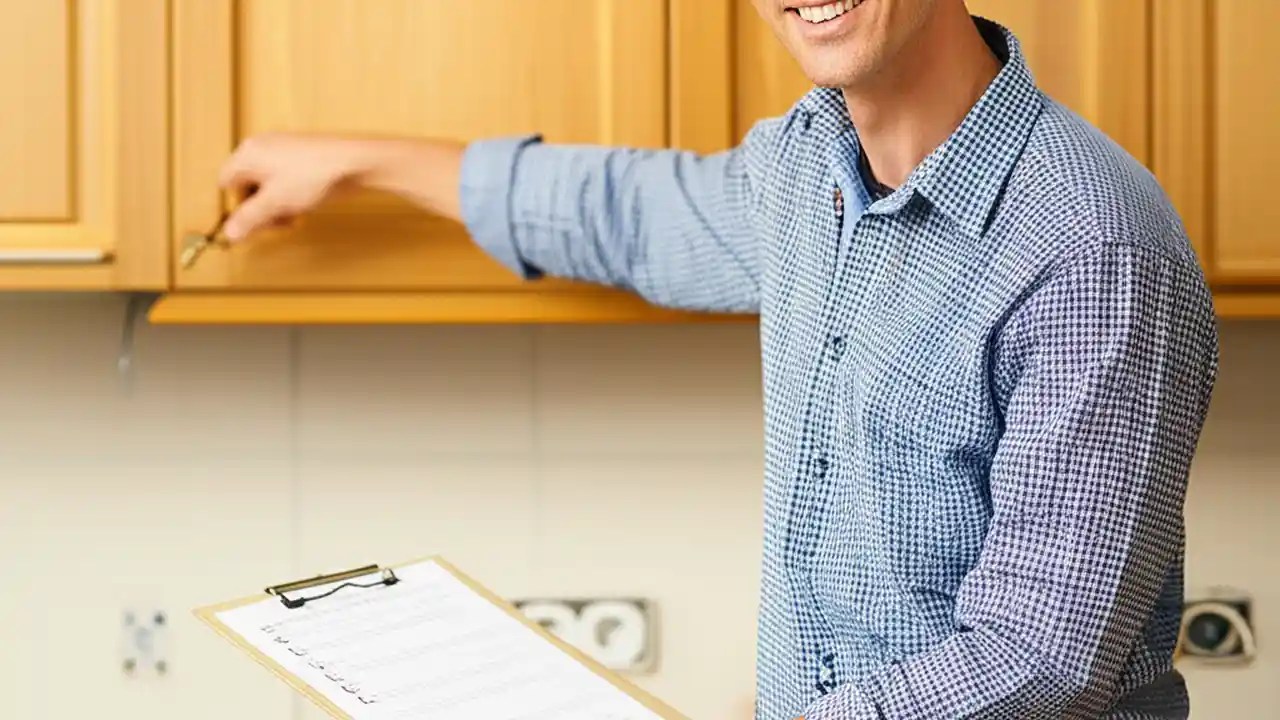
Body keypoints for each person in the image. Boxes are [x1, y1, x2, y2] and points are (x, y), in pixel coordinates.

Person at [216, 1, 1219, 717]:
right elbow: (627, 213)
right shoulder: (802, 170)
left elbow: (1040, 657)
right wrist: (354, 162)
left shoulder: (1091, 247)